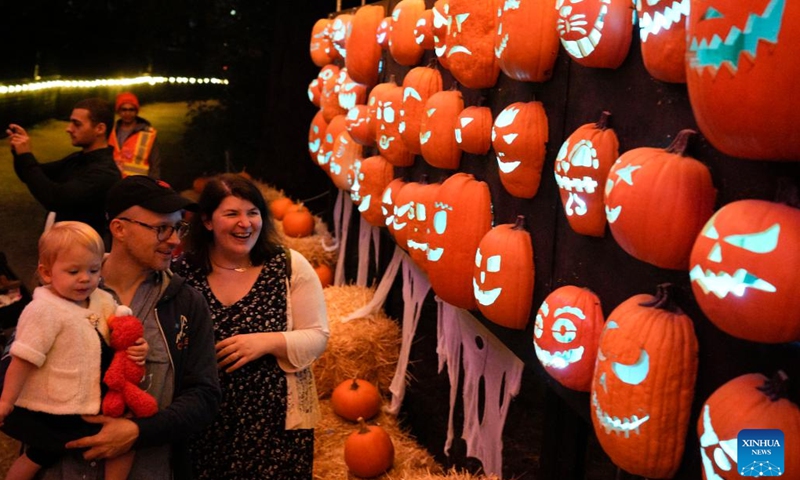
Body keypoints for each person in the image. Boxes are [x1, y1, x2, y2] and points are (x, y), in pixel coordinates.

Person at [34, 175, 221, 480]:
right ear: (119, 228)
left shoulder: (186, 303)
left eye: (178, 227)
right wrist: (54, 438)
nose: (174, 240)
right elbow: (15, 372)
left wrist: (138, 431)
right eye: (161, 228)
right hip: (62, 471)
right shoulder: (62, 290)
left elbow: (205, 396)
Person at [172, 173, 329, 479]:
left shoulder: (287, 266)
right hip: (203, 423)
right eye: (232, 214)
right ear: (207, 221)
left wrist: (266, 342)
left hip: (274, 428)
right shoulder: (183, 272)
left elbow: (317, 336)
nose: (245, 223)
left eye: (252, 213)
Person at [0, 221, 147, 480]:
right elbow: (23, 360)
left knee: (125, 435)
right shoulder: (43, 311)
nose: (85, 278)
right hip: (58, 406)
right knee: (41, 453)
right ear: (47, 273)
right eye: (73, 271)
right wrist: (5, 402)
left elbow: (121, 332)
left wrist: (138, 347)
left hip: (94, 397)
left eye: (93, 270)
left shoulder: (102, 299)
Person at [7, 98, 122, 240]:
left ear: (100, 129)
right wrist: (19, 152)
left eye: (77, 124)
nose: (68, 129)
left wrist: (25, 155)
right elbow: (31, 175)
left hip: (82, 249)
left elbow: (55, 198)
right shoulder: (79, 158)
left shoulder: (104, 173)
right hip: (65, 244)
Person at [108, 92, 161, 179]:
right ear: (118, 111)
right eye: (124, 110)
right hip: (114, 181)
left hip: (138, 182)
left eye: (131, 110)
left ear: (136, 111)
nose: (127, 113)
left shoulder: (148, 134)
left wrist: (153, 184)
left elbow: (155, 164)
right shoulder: (111, 131)